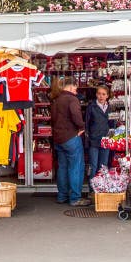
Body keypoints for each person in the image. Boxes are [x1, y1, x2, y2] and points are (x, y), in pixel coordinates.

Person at [51, 76, 89, 206]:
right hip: (71, 137)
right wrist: (82, 127)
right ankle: (75, 198)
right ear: (71, 86)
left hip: (58, 138)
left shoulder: (56, 100)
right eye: (76, 88)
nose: (76, 91)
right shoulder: (72, 99)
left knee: (62, 167)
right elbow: (76, 116)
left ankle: (62, 196)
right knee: (76, 167)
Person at [85, 85, 111, 179]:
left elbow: (112, 124)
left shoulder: (110, 107)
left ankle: (102, 188)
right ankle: (92, 189)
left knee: (103, 166)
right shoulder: (91, 107)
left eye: (103, 94)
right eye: (99, 94)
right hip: (94, 140)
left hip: (106, 140)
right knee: (93, 165)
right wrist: (88, 139)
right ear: (96, 94)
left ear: (107, 96)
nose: (101, 96)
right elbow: (87, 124)